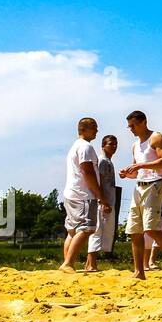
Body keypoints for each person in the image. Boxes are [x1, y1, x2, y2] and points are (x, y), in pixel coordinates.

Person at [119, 110, 162, 279]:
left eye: (133, 125)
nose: (131, 129)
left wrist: (140, 166)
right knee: (134, 230)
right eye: (129, 126)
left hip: (155, 184)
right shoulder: (135, 144)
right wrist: (128, 172)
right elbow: (137, 169)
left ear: (143, 122)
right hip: (139, 187)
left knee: (151, 229)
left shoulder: (157, 137)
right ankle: (139, 271)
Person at [60, 117, 111, 274]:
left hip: (72, 193)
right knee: (87, 228)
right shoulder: (86, 147)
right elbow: (87, 171)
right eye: (94, 127)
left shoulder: (75, 146)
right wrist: (100, 195)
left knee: (72, 231)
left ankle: (67, 264)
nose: (97, 130)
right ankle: (68, 263)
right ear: (84, 129)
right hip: (83, 194)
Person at [85, 134, 120, 271]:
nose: (114, 147)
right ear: (103, 145)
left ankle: (90, 263)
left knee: (104, 231)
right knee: (97, 231)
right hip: (102, 201)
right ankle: (91, 263)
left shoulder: (109, 162)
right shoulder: (102, 161)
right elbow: (98, 182)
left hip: (109, 200)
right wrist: (102, 200)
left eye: (115, 144)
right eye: (111, 144)